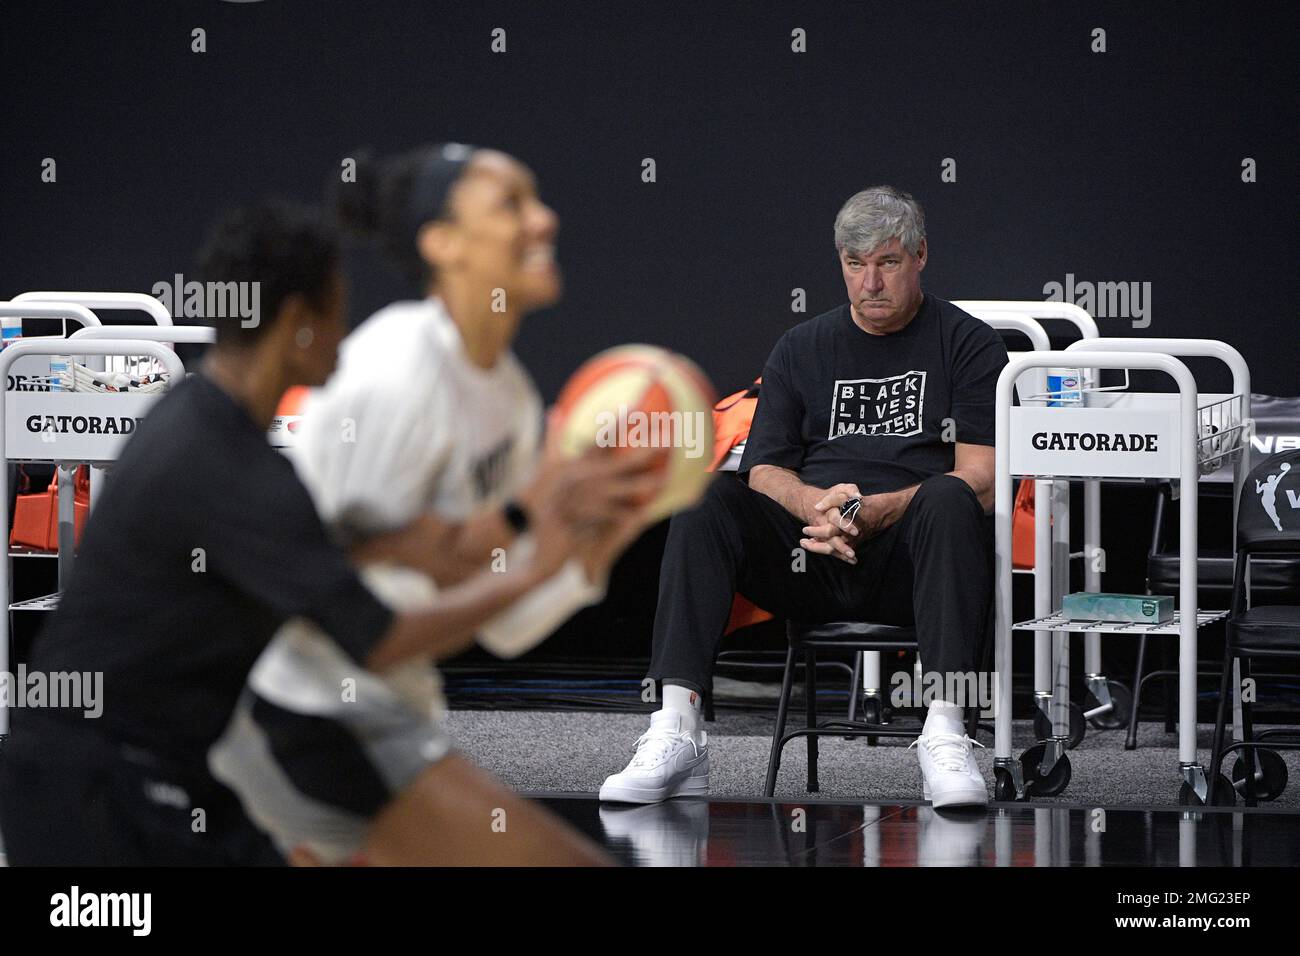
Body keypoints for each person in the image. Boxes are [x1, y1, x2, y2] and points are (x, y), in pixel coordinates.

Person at [0, 200, 632, 865]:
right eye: (337, 309)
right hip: (98, 800)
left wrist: (520, 514)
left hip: (145, 778)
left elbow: (346, 548)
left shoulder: (195, 420)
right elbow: (381, 641)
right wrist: (535, 570)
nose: (343, 333)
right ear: (300, 323)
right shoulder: (232, 468)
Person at [208, 144, 668, 864]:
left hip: (385, 707)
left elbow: (507, 625)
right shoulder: (394, 374)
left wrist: (593, 542)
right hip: (299, 709)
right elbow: (344, 614)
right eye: (511, 204)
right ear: (443, 243)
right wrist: (525, 551)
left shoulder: (510, 399)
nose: (545, 220)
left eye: (538, 199)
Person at [600, 186, 1009, 808]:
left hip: (912, 556)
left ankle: (946, 732)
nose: (870, 282)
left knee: (952, 499)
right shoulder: (801, 347)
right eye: (854, 263)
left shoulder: (969, 344)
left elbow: (982, 475)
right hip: (809, 555)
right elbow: (763, 470)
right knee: (703, 498)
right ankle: (676, 729)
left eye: (888, 262)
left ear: (921, 256)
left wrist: (877, 511)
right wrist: (819, 506)